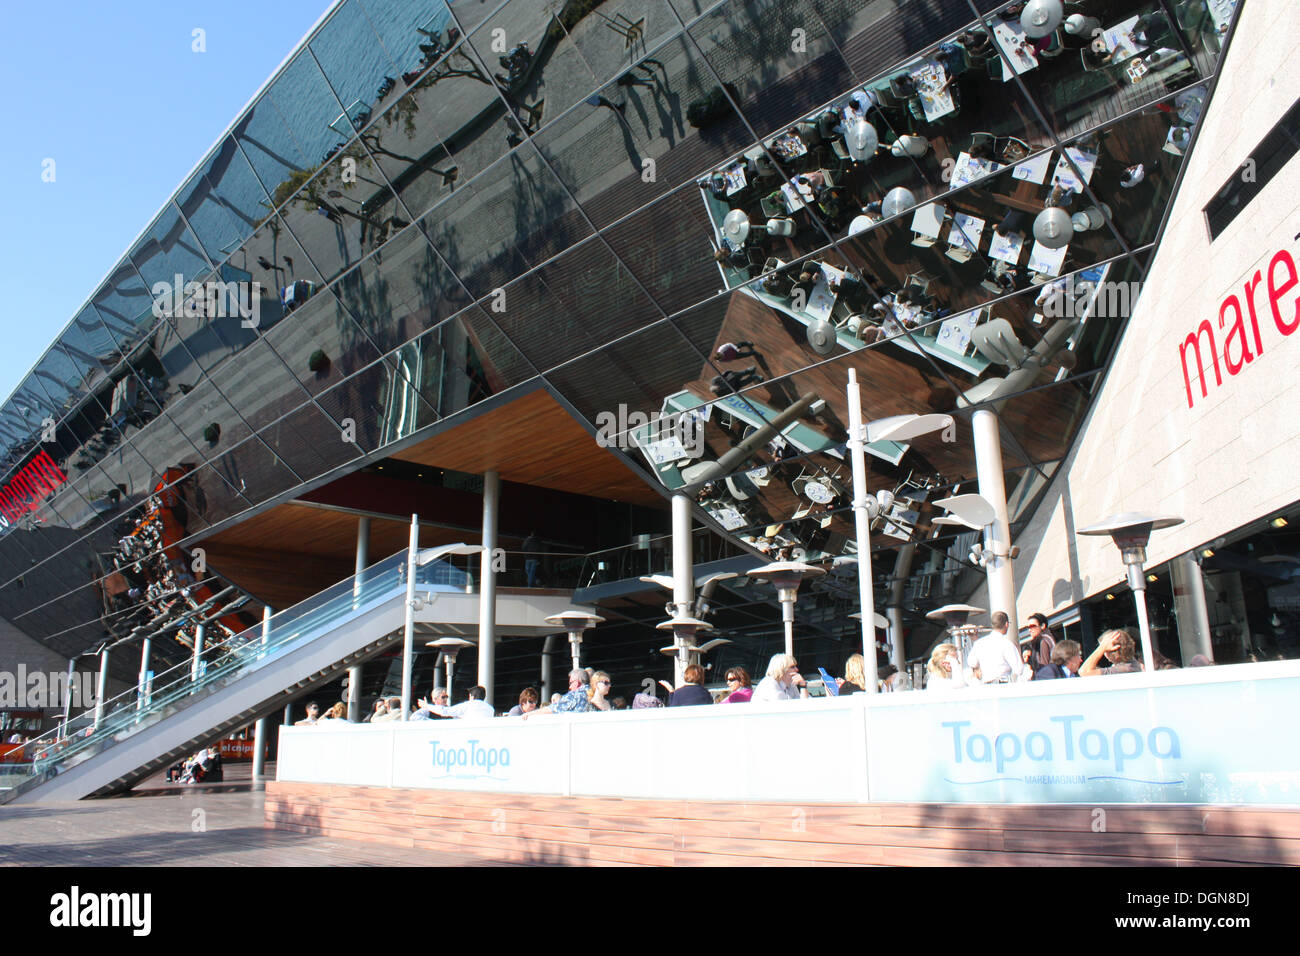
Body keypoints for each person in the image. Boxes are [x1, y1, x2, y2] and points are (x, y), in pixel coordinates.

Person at [966, 612, 1029, 683]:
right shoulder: (1007, 644)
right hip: (1002, 683)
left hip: (986, 684)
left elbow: (972, 663)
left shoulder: (979, 643)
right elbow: (1019, 670)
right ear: (1006, 624)